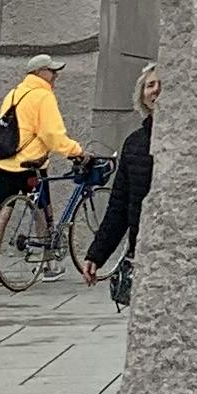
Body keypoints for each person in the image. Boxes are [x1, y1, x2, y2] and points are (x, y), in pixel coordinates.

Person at [0, 56, 83, 284]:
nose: (56, 75)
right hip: (32, 164)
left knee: (0, 211)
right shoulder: (43, 96)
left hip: (4, 162)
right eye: (52, 71)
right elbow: (52, 135)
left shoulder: (13, 94)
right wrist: (76, 151)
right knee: (42, 209)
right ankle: (49, 265)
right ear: (39, 72)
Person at [81, 66, 157, 301]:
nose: (156, 90)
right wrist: (97, 253)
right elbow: (119, 205)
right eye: (150, 85)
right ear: (142, 95)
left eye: (162, 84)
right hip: (142, 249)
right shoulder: (134, 143)